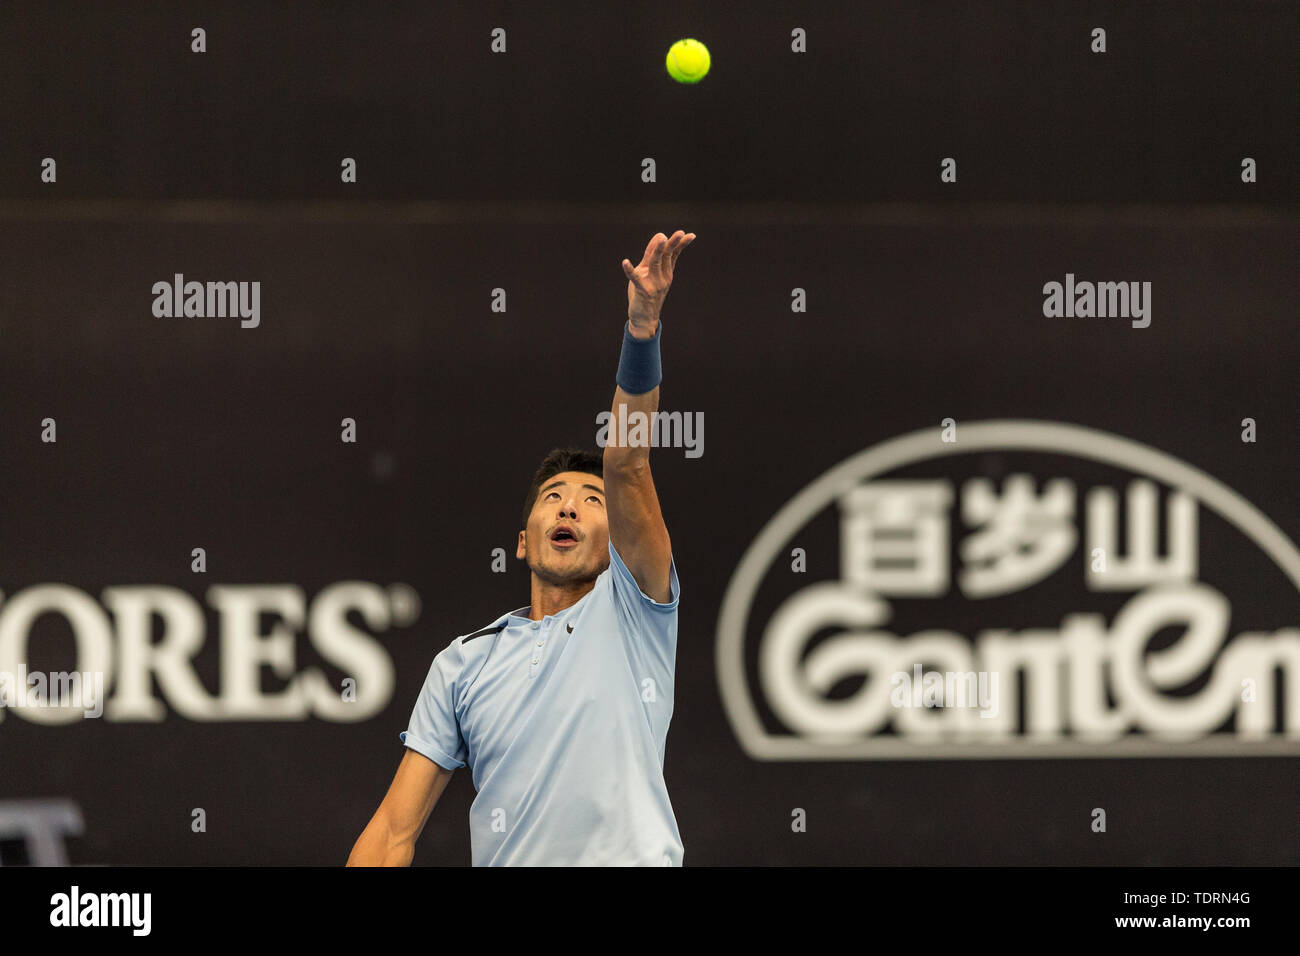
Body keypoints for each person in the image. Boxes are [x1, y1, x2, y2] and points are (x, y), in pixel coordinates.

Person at [347, 230, 697, 865]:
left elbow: (628, 463)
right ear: (520, 543)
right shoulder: (461, 667)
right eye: (553, 496)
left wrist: (642, 329)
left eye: (591, 502)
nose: (568, 506)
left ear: (616, 537)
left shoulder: (637, 610)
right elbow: (393, 833)